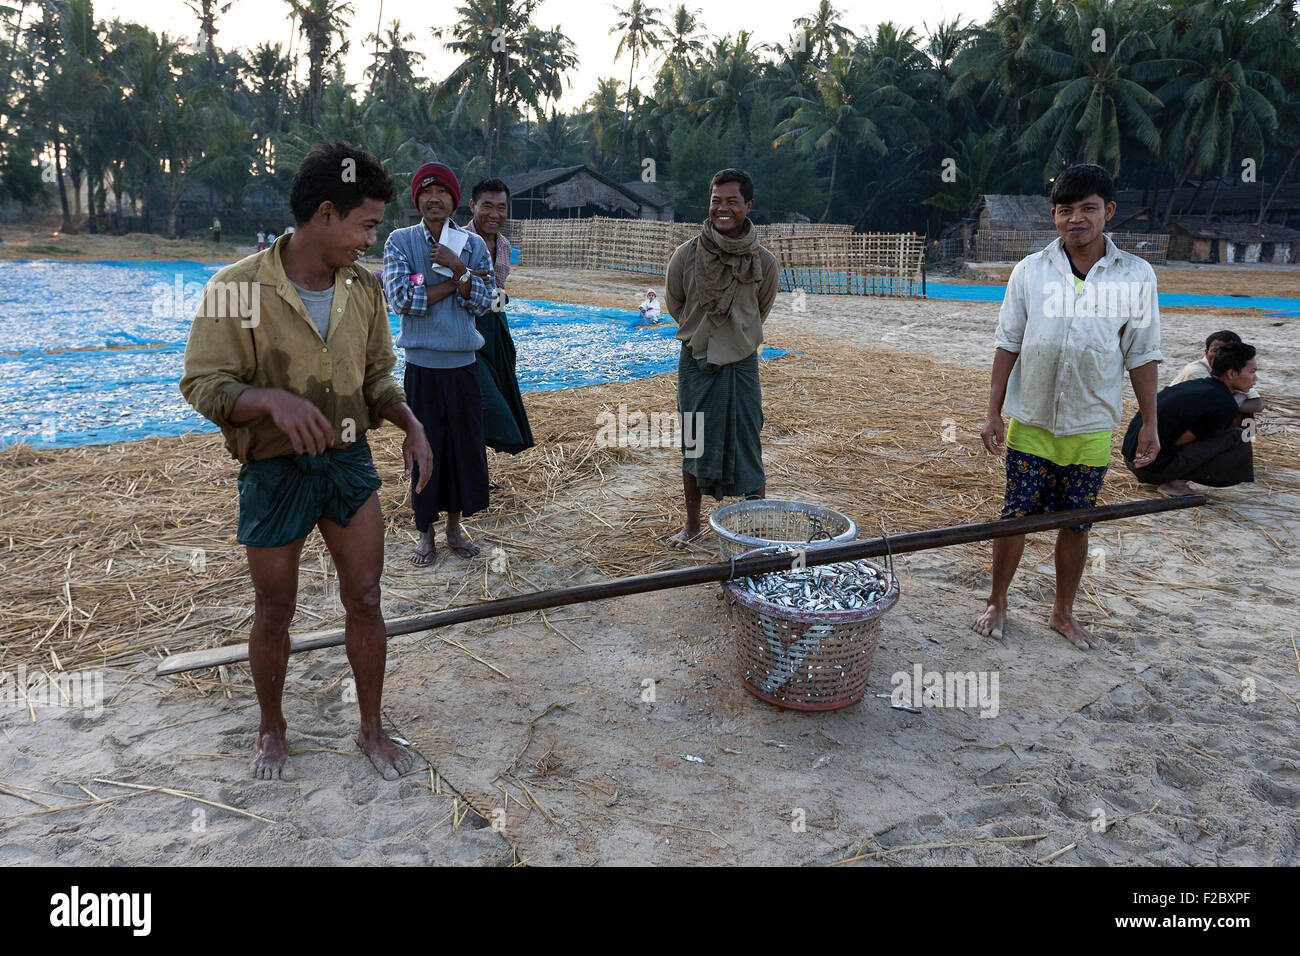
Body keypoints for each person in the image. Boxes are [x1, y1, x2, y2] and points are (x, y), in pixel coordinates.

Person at [179, 140, 432, 781]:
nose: (372, 240)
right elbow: (203, 384)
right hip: (273, 470)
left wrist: (409, 422)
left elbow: (378, 380)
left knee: (368, 598)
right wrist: (267, 400)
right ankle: (272, 729)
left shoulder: (363, 291)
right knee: (275, 607)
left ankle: (372, 728)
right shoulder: (236, 289)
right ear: (325, 214)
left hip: (347, 463)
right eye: (366, 225)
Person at [973, 163, 1163, 651]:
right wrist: (993, 412)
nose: (1075, 219)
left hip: (1092, 423)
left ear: (1108, 212)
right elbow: (1007, 342)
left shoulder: (1136, 275)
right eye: (1064, 210)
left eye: (1087, 209)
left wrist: (1150, 424)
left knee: (1077, 522)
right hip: (1031, 419)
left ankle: (1062, 612)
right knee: (1015, 514)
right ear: (1054, 215)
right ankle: (998, 600)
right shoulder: (1031, 270)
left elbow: (1142, 353)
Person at [383, 161, 496, 565]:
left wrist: (459, 265)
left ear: (453, 199)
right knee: (424, 449)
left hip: (463, 365)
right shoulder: (400, 242)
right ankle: (424, 534)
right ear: (417, 199)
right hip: (422, 368)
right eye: (427, 192)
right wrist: (458, 279)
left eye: (442, 192)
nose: (435, 199)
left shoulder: (472, 244)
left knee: (460, 451)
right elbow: (401, 302)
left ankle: (453, 528)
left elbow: (485, 303)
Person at [663, 168, 779, 550]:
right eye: (716, 200)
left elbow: (759, 312)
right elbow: (676, 304)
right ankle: (693, 525)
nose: (723, 208)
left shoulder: (763, 261)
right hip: (696, 362)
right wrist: (706, 337)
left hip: (742, 365)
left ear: (749, 205)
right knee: (694, 441)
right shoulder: (686, 255)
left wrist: (733, 340)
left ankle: (754, 530)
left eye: (732, 201)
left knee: (748, 439)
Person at [463, 178, 535, 470]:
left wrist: (499, 311)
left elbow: (499, 291)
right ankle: (469, 472)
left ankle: (477, 470)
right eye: (487, 206)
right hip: (466, 329)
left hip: (495, 328)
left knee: (496, 394)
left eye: (501, 207)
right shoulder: (458, 241)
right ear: (472, 206)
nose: (495, 214)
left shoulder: (504, 244)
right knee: (482, 399)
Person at [1124, 341, 1257, 496]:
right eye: (1252, 372)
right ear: (1232, 373)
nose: (1256, 378)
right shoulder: (1224, 403)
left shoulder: (1197, 385)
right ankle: (1175, 484)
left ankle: (1169, 477)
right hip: (1150, 468)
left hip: (1132, 460)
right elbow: (1181, 441)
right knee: (1238, 437)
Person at [1169, 329, 1263, 422]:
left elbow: (1258, 404)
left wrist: (1239, 397)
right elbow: (1214, 406)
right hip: (1175, 420)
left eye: (1226, 352)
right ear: (1206, 352)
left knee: (1242, 414)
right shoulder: (1196, 371)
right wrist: (1239, 397)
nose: (1220, 355)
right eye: (1215, 350)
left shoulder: (1234, 372)